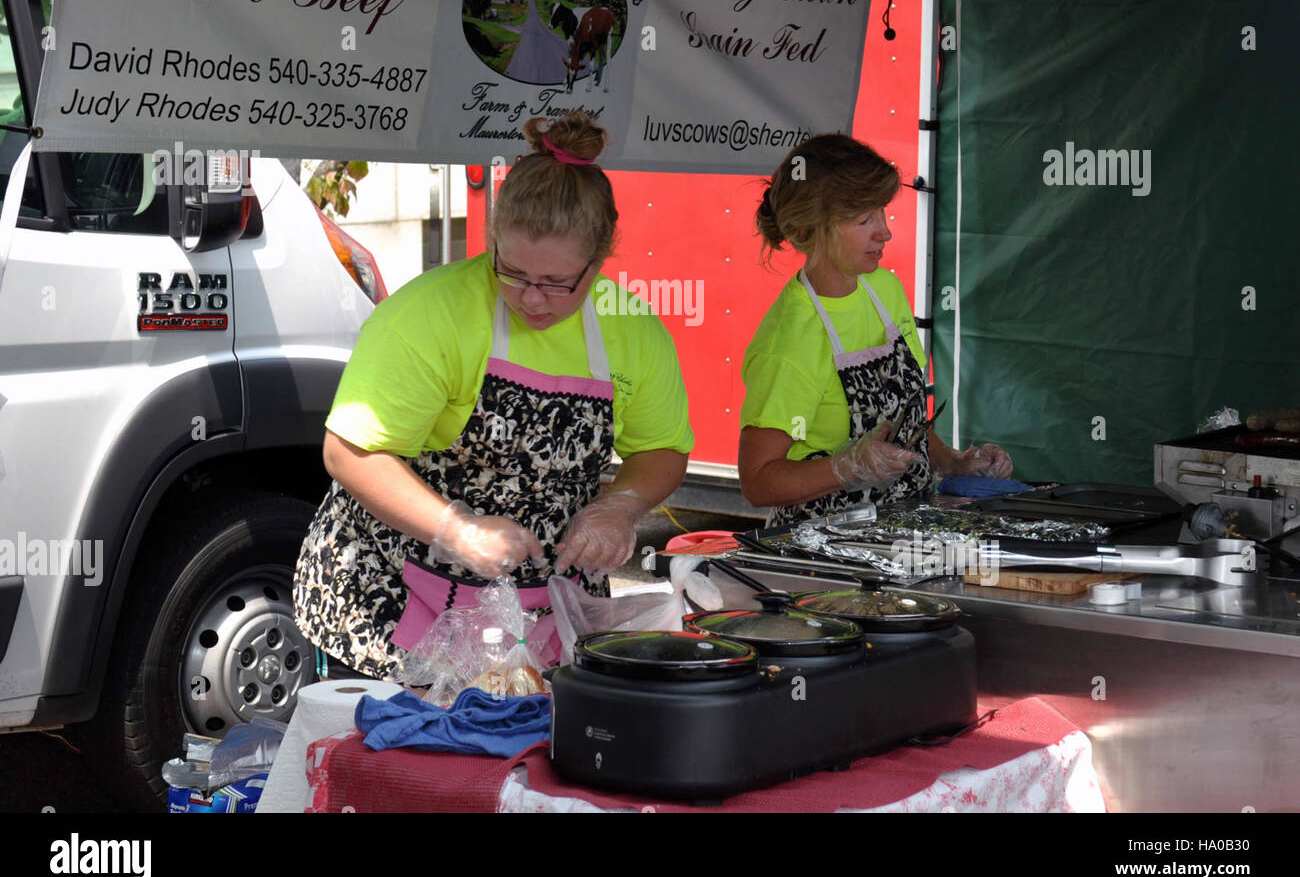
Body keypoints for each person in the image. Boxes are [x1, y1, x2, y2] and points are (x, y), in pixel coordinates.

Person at [293, 112, 693, 680]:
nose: (532, 299)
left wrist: (619, 507)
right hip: (392, 599)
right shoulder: (430, 315)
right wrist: (453, 529)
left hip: (545, 613)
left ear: (601, 257)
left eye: (558, 283)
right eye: (513, 272)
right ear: (493, 241)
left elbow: (661, 449)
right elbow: (350, 453)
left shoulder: (632, 329)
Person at [738, 133, 1012, 526]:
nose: (885, 232)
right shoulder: (789, 341)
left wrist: (953, 462)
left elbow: (906, 416)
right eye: (865, 219)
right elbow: (757, 482)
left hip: (903, 531)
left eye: (882, 212)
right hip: (820, 545)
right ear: (817, 227)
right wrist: (846, 467)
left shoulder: (883, 288)